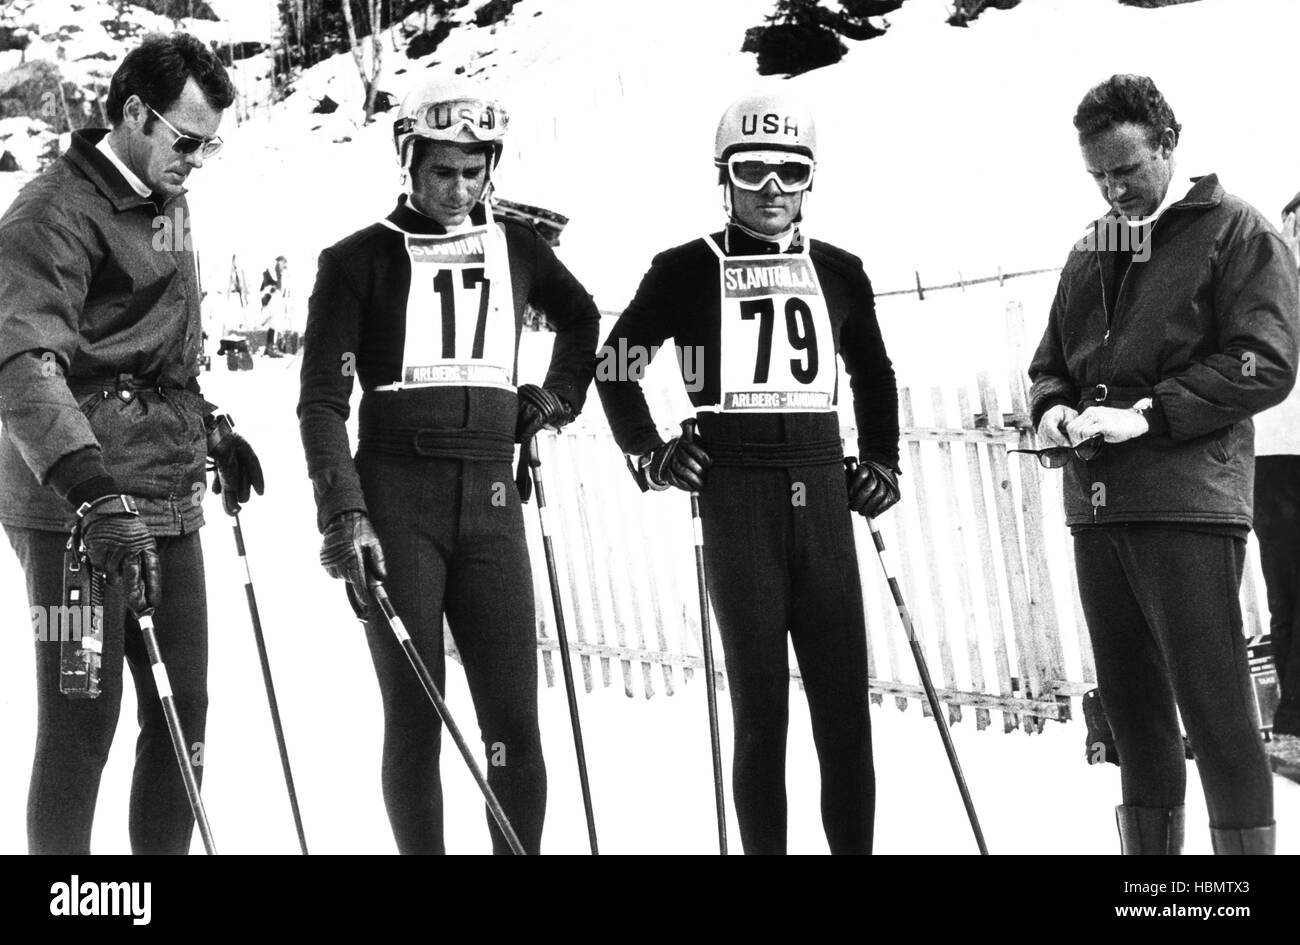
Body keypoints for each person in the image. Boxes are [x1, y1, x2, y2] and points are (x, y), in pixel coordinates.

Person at [297, 78, 600, 855]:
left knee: (513, 719)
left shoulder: (518, 246)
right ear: (408, 163)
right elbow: (321, 403)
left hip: (492, 497)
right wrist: (344, 511)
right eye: (441, 171)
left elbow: (582, 317)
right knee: (415, 712)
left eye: (474, 171)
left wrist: (553, 400)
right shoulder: (356, 259)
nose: (458, 188)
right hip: (399, 498)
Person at [596, 92, 900, 855]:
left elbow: (874, 372)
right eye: (752, 169)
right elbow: (616, 366)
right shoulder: (685, 269)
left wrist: (884, 464)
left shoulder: (839, 269)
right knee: (761, 715)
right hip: (738, 499)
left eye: (789, 171)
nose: (772, 187)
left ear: (809, 181)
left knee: (843, 715)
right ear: (724, 177)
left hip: (822, 494)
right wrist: (652, 451)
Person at [0, 32, 264, 855]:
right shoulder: (50, 215)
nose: (197, 160)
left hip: (164, 493)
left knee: (185, 713)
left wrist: (209, 423)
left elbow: (160, 351)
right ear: (134, 113)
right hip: (73, 512)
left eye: (210, 145)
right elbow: (21, 362)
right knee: (83, 720)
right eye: (187, 141)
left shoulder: (169, 202)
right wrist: (89, 491)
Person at [1027, 74, 1298, 855]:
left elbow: (1266, 360)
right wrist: (1053, 408)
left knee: (1217, 715)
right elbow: (1051, 362)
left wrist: (1146, 413)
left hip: (1189, 504)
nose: (1115, 190)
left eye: (1127, 169)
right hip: (1098, 507)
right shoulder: (1093, 245)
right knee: (1135, 716)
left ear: (1168, 143)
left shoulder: (1237, 231)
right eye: (1099, 176)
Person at [1254, 191, 1300, 742]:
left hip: (1270, 454)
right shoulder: (1271, 286)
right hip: (1275, 454)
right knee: (1286, 591)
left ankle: (1291, 729)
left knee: (1289, 592)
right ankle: (1292, 727)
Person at [259, 255, 290, 356]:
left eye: (282, 262)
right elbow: (268, 287)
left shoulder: (283, 273)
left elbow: (283, 287)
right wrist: (272, 290)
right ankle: (271, 348)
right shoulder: (274, 272)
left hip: (278, 299)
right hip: (274, 299)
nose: (281, 264)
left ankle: (271, 347)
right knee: (274, 324)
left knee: (275, 324)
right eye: (280, 262)